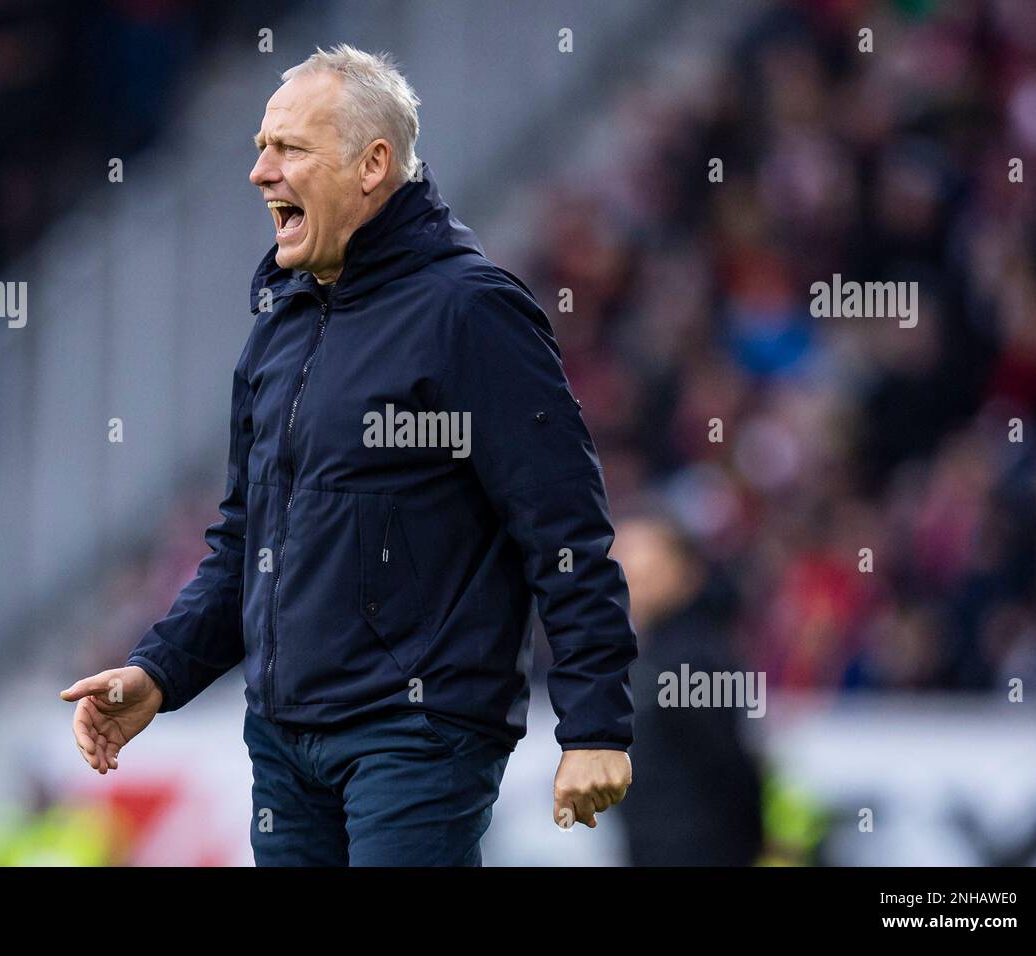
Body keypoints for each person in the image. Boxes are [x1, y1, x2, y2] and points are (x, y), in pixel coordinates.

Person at [63, 44, 637, 866]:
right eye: (261, 146)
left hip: (417, 737)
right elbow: (242, 542)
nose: (261, 172)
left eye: (288, 148)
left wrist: (595, 725)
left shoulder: (470, 312)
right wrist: (159, 672)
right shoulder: (282, 317)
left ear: (372, 166)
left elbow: (565, 530)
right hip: (283, 742)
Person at [611, 514, 762, 866]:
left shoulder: (694, 659)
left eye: (647, 568)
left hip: (697, 850)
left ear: (686, 572)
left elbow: (726, 762)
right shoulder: (657, 653)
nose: (631, 577)